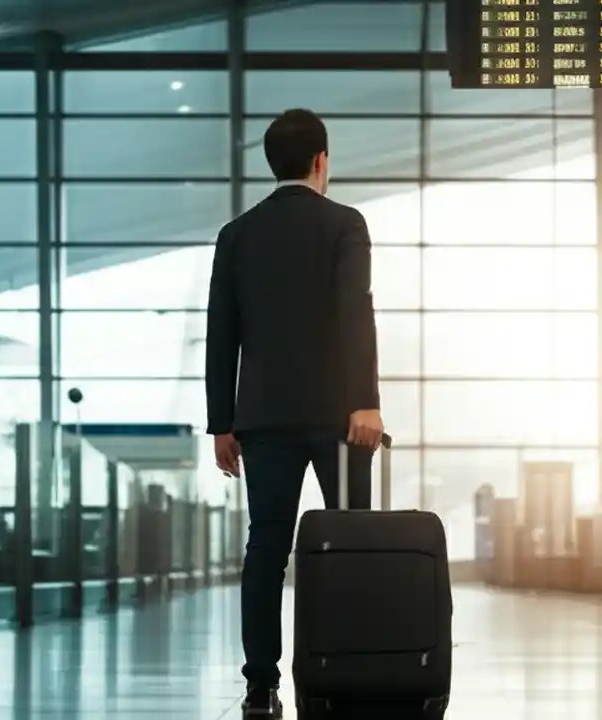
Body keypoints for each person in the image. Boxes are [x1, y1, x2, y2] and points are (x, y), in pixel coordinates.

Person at [205, 108, 383, 718]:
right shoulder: (345, 225)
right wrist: (367, 401)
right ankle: (355, 664)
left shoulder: (237, 234)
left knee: (267, 549)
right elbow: (354, 314)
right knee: (355, 543)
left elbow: (220, 332)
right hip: (342, 419)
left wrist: (220, 422)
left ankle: (261, 684)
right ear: (320, 161)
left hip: (264, 418)